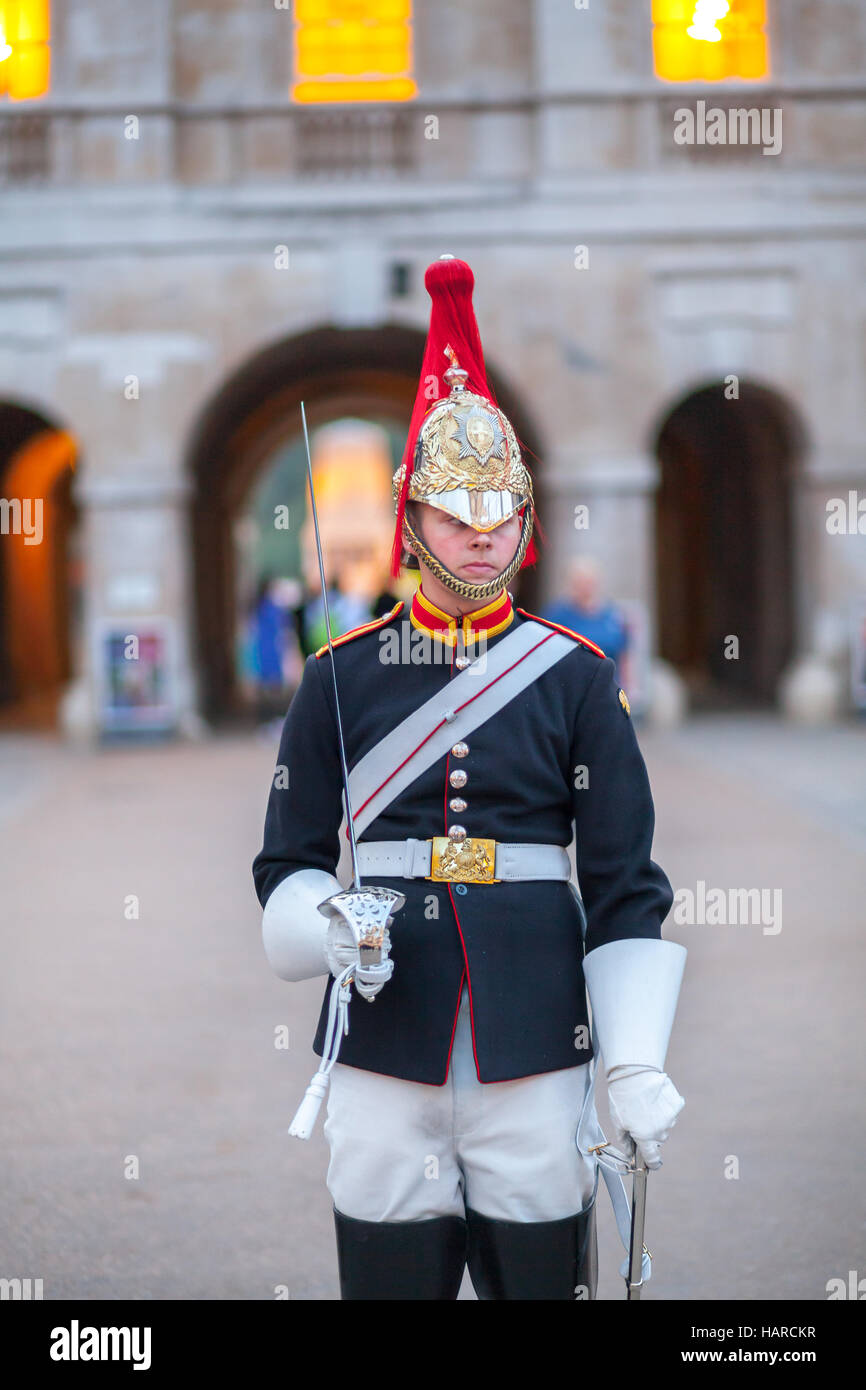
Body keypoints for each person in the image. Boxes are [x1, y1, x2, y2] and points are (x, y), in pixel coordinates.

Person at [251, 256, 685, 1301]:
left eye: (498, 506)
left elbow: (625, 882)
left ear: (524, 515)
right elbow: (285, 863)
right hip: (383, 1030)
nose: (480, 530)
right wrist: (324, 926)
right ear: (412, 522)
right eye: (455, 510)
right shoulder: (338, 679)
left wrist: (627, 1057)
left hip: (532, 1034)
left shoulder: (575, 678)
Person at [543, 557, 630, 679]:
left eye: (589, 581)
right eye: (581, 581)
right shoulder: (557, 615)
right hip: (573, 684)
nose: (586, 587)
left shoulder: (613, 615)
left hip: (608, 685)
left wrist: (628, 689)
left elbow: (624, 657)